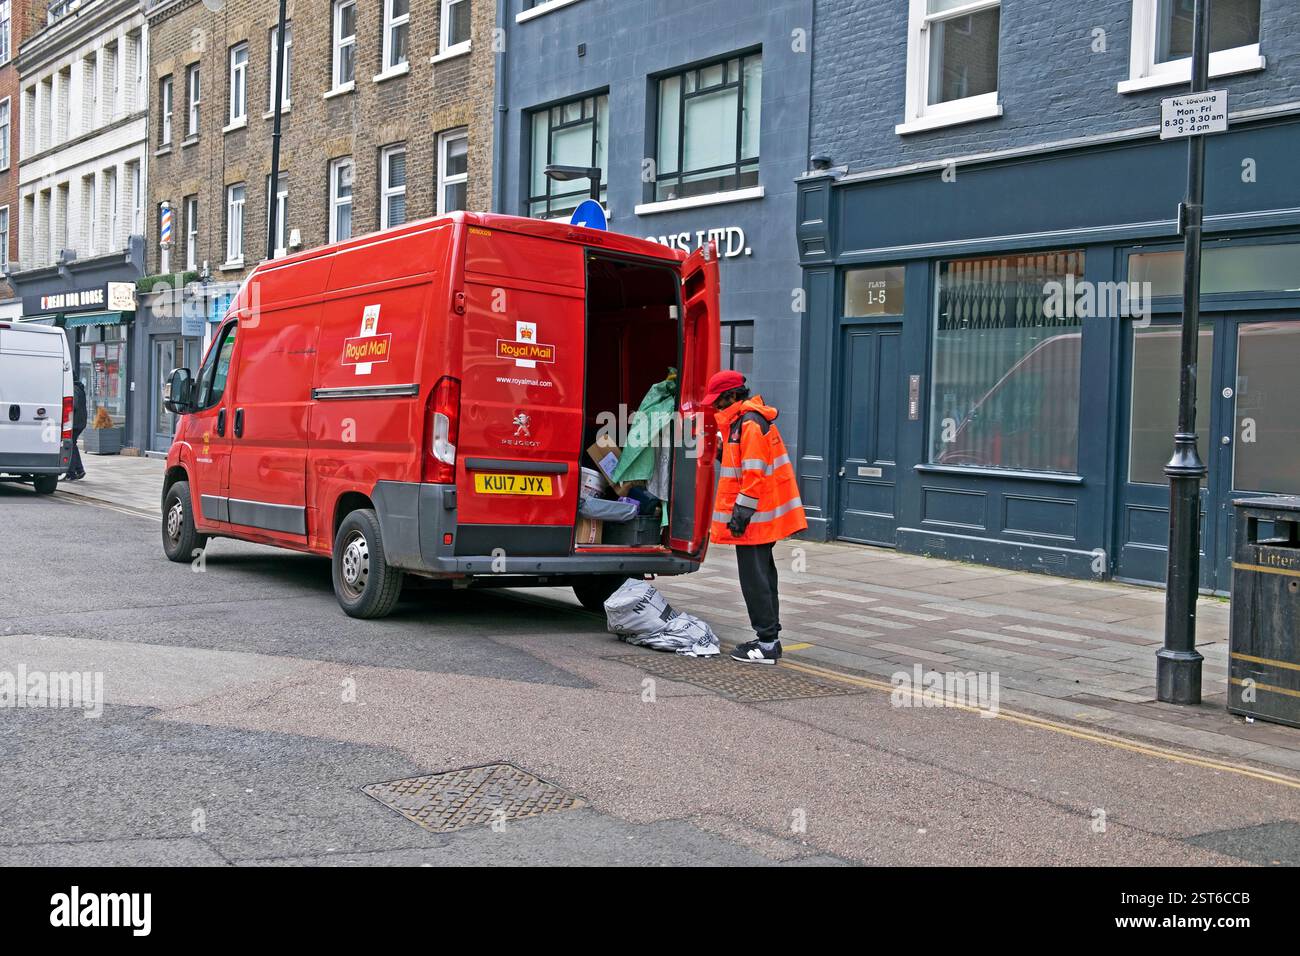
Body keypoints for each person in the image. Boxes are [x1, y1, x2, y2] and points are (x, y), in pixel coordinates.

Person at [702, 369, 807, 664]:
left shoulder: (749, 423)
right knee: (762, 576)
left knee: (755, 580)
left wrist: (742, 512)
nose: (716, 407)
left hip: (754, 518)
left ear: (733, 396)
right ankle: (768, 637)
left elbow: (753, 472)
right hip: (758, 517)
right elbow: (743, 466)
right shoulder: (743, 422)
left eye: (720, 402)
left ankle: (767, 644)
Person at [66, 379, 87, 481]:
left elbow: (74, 405)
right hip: (80, 422)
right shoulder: (80, 388)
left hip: (75, 423)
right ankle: (79, 469)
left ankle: (71, 472)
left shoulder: (74, 389)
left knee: (71, 445)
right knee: (73, 445)